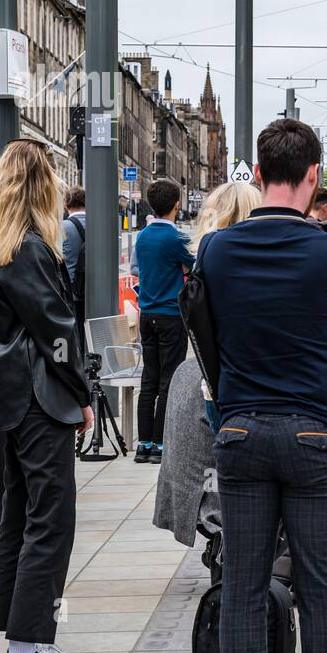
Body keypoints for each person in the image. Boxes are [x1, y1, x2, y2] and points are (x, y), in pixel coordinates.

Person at [198, 118, 327, 653]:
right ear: (313, 176)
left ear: (258, 176)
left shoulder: (216, 249)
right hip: (316, 439)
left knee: (243, 591)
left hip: (240, 434)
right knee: (321, 593)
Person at [154, 181, 327, 633]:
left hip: (230, 442)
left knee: (244, 589)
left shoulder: (213, 264)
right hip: (256, 438)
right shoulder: (284, 260)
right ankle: (306, 594)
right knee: (311, 516)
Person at [0, 139, 94, 653]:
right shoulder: (29, 249)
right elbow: (57, 331)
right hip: (39, 399)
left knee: (21, 519)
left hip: (10, 400)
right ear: (42, 187)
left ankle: (30, 643)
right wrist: (84, 392)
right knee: (51, 522)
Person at [134, 179, 195, 464]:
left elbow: (138, 268)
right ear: (176, 205)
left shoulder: (143, 236)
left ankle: (142, 444)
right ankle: (160, 444)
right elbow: (194, 265)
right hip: (171, 316)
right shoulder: (176, 239)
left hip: (146, 315)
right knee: (168, 381)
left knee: (149, 380)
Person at [61, 187, 87, 336]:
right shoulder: (101, 226)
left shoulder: (63, 227)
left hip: (72, 291)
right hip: (97, 291)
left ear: (66, 205)